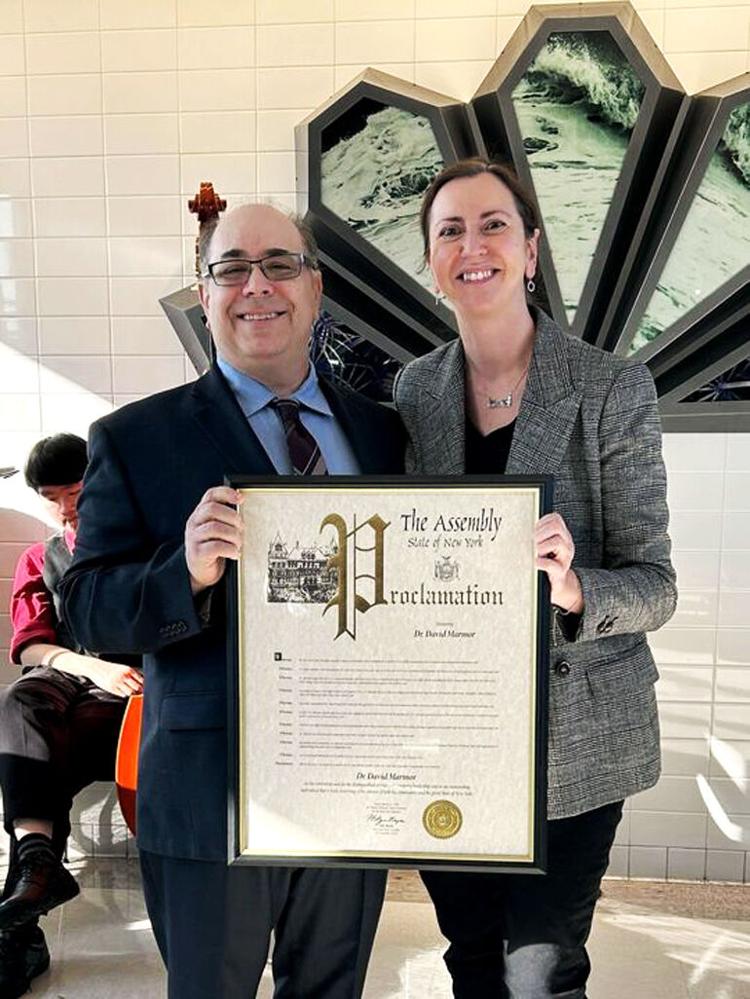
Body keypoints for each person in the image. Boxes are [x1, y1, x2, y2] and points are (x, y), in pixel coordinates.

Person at [59, 203, 404, 999]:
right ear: (205, 292)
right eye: (232, 268)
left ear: (314, 289)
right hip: (209, 792)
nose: (258, 286)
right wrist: (184, 569)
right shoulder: (135, 437)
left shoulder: (384, 433)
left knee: (331, 989)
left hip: (352, 783)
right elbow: (86, 608)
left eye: (280, 265)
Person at [393, 158, 677, 998]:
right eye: (450, 230)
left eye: (492, 226)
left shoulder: (610, 385)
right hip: (452, 737)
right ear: (433, 260)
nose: (471, 245)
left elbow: (656, 583)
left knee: (543, 971)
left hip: (576, 740)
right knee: (471, 958)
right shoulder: (415, 389)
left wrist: (574, 587)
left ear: (529, 250)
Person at [0, 433, 143, 999]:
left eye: (76, 491)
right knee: (20, 704)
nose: (65, 508)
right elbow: (30, 646)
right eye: (51, 496)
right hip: (66, 685)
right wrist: (89, 667)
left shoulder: (141, 544)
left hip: (129, 699)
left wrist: (119, 675)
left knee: (38, 760)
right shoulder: (40, 557)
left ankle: (21, 926)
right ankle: (37, 862)